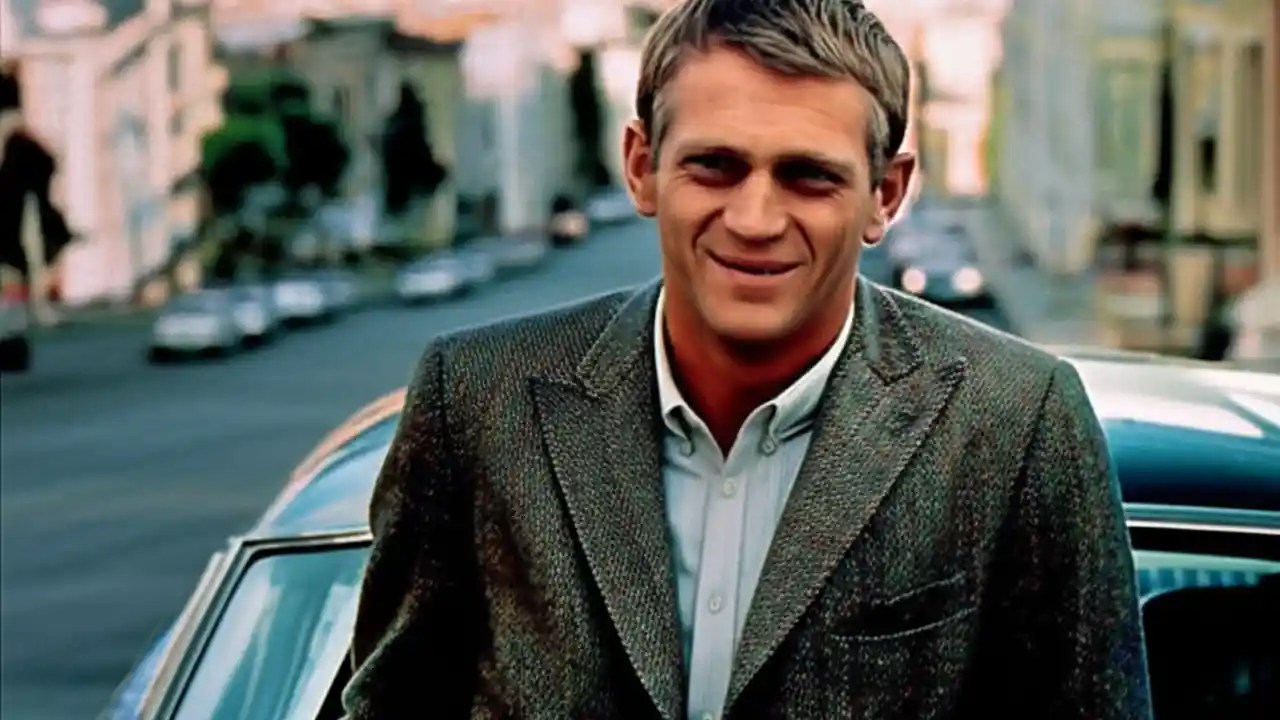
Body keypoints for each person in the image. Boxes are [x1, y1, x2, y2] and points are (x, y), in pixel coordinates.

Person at [343, 1, 1152, 718]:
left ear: (886, 195)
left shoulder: (1018, 422)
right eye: (715, 165)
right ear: (641, 165)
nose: (755, 218)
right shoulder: (480, 401)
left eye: (808, 176)